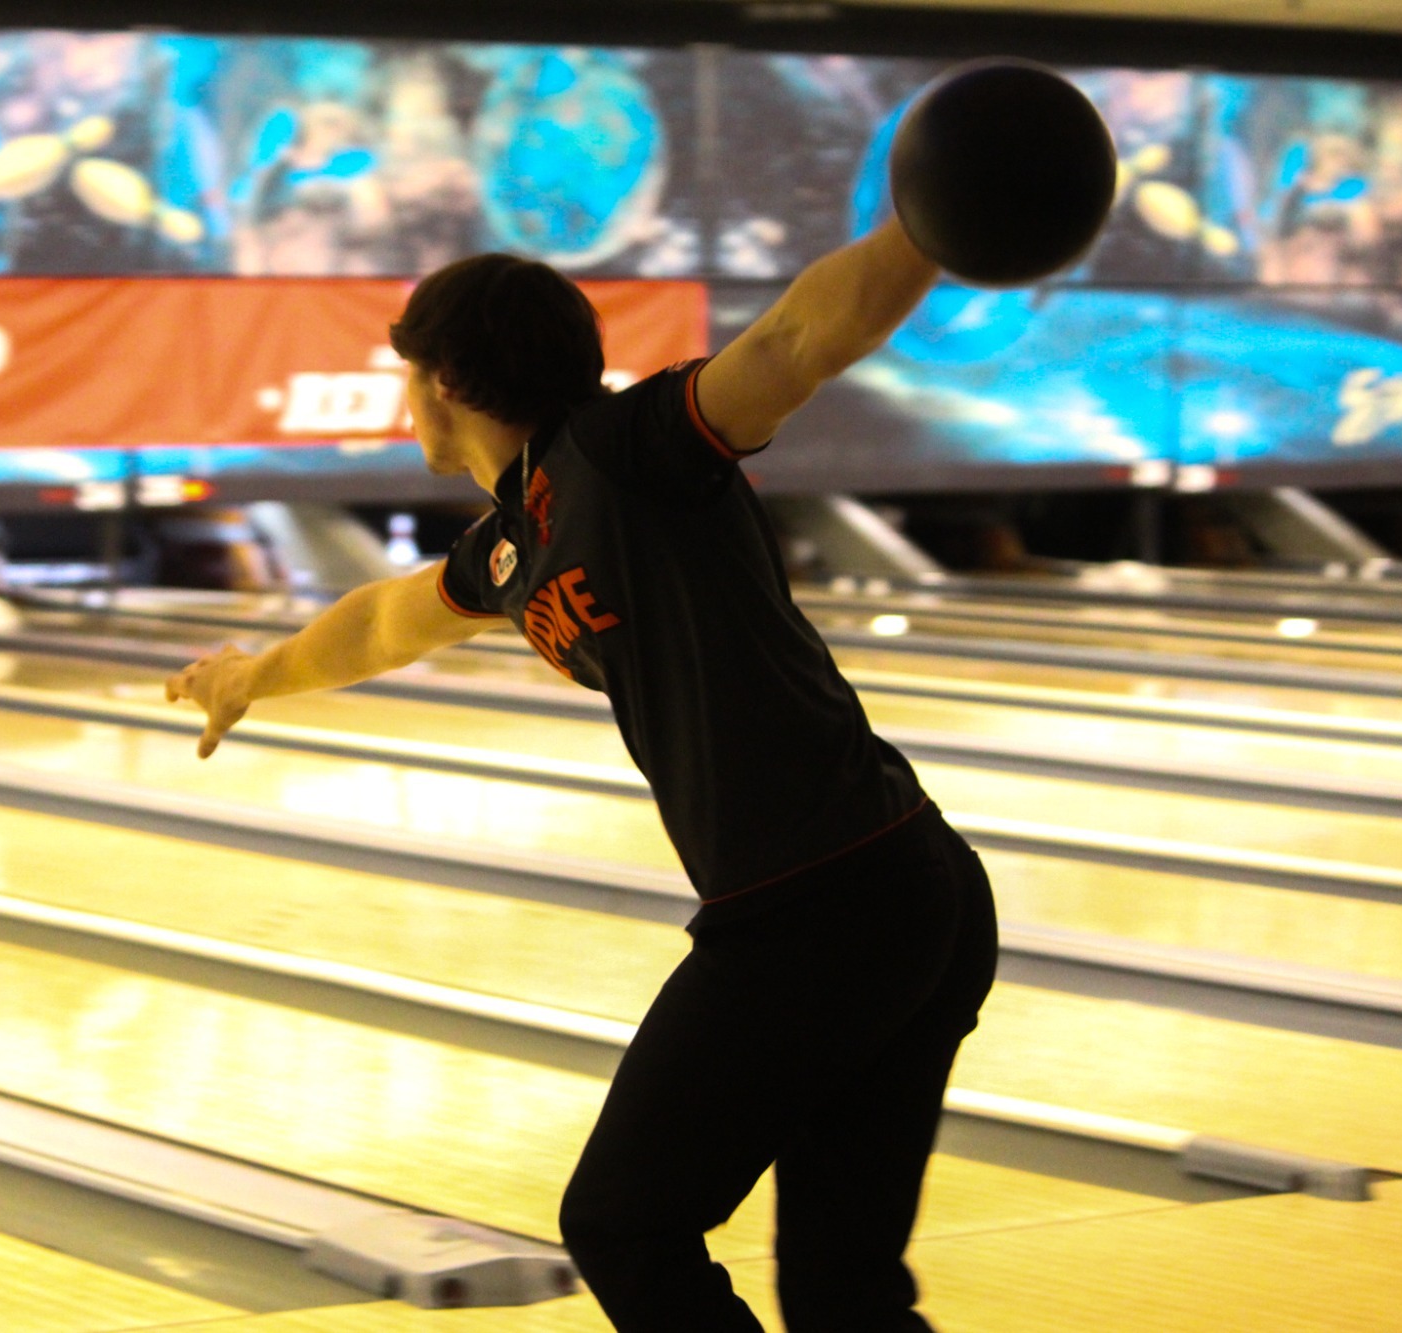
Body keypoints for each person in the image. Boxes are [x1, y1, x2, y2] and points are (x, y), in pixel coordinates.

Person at [166, 215, 999, 1332]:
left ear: (447, 378)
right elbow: (378, 626)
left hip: (820, 908)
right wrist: (251, 676)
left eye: (410, 370)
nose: (407, 393)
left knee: (623, 1223)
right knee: (840, 1295)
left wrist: (932, 216)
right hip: (892, 886)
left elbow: (798, 339)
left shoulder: (630, 446)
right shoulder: (511, 539)